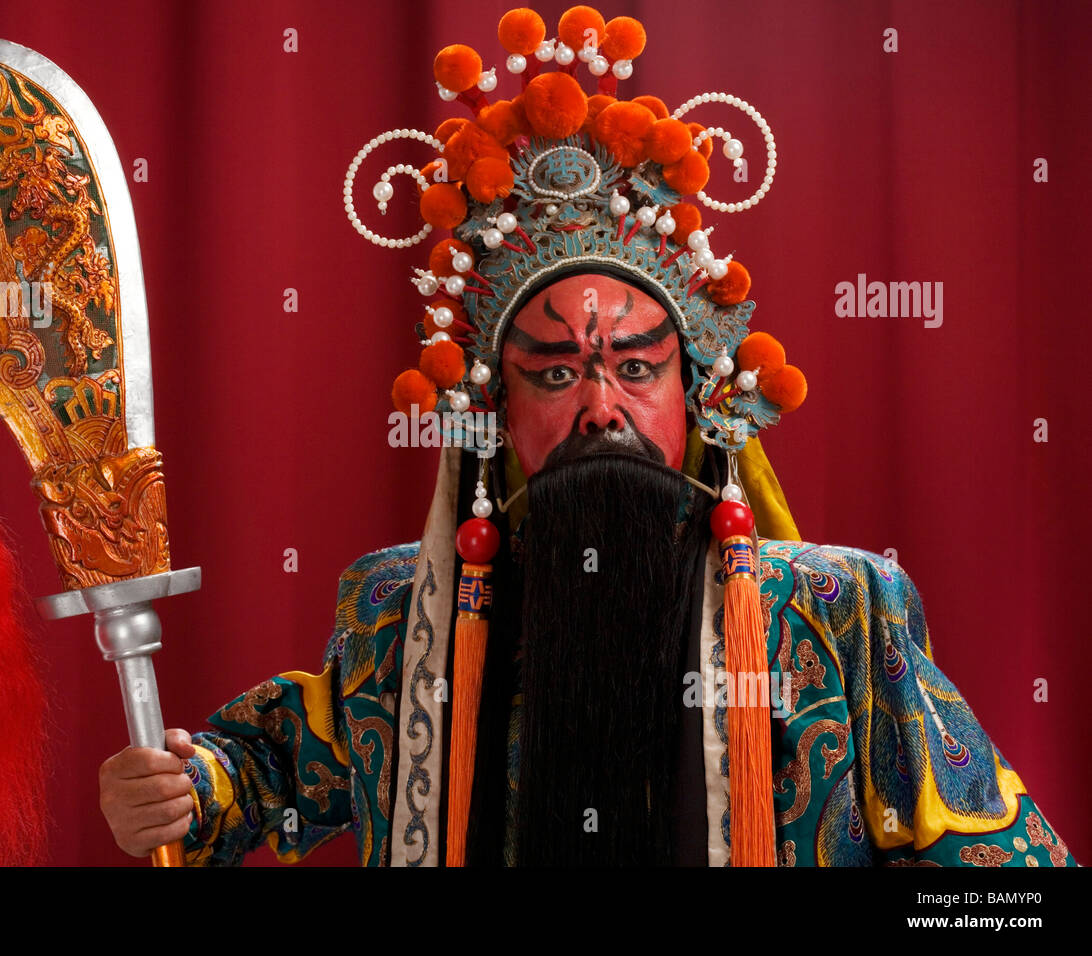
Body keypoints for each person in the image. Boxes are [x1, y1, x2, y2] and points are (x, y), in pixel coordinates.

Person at [99, 6, 1074, 868]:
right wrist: (182, 788)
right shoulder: (403, 615)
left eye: (639, 367)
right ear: (492, 412)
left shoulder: (842, 615)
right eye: (557, 373)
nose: (601, 407)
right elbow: (257, 778)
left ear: (695, 394)